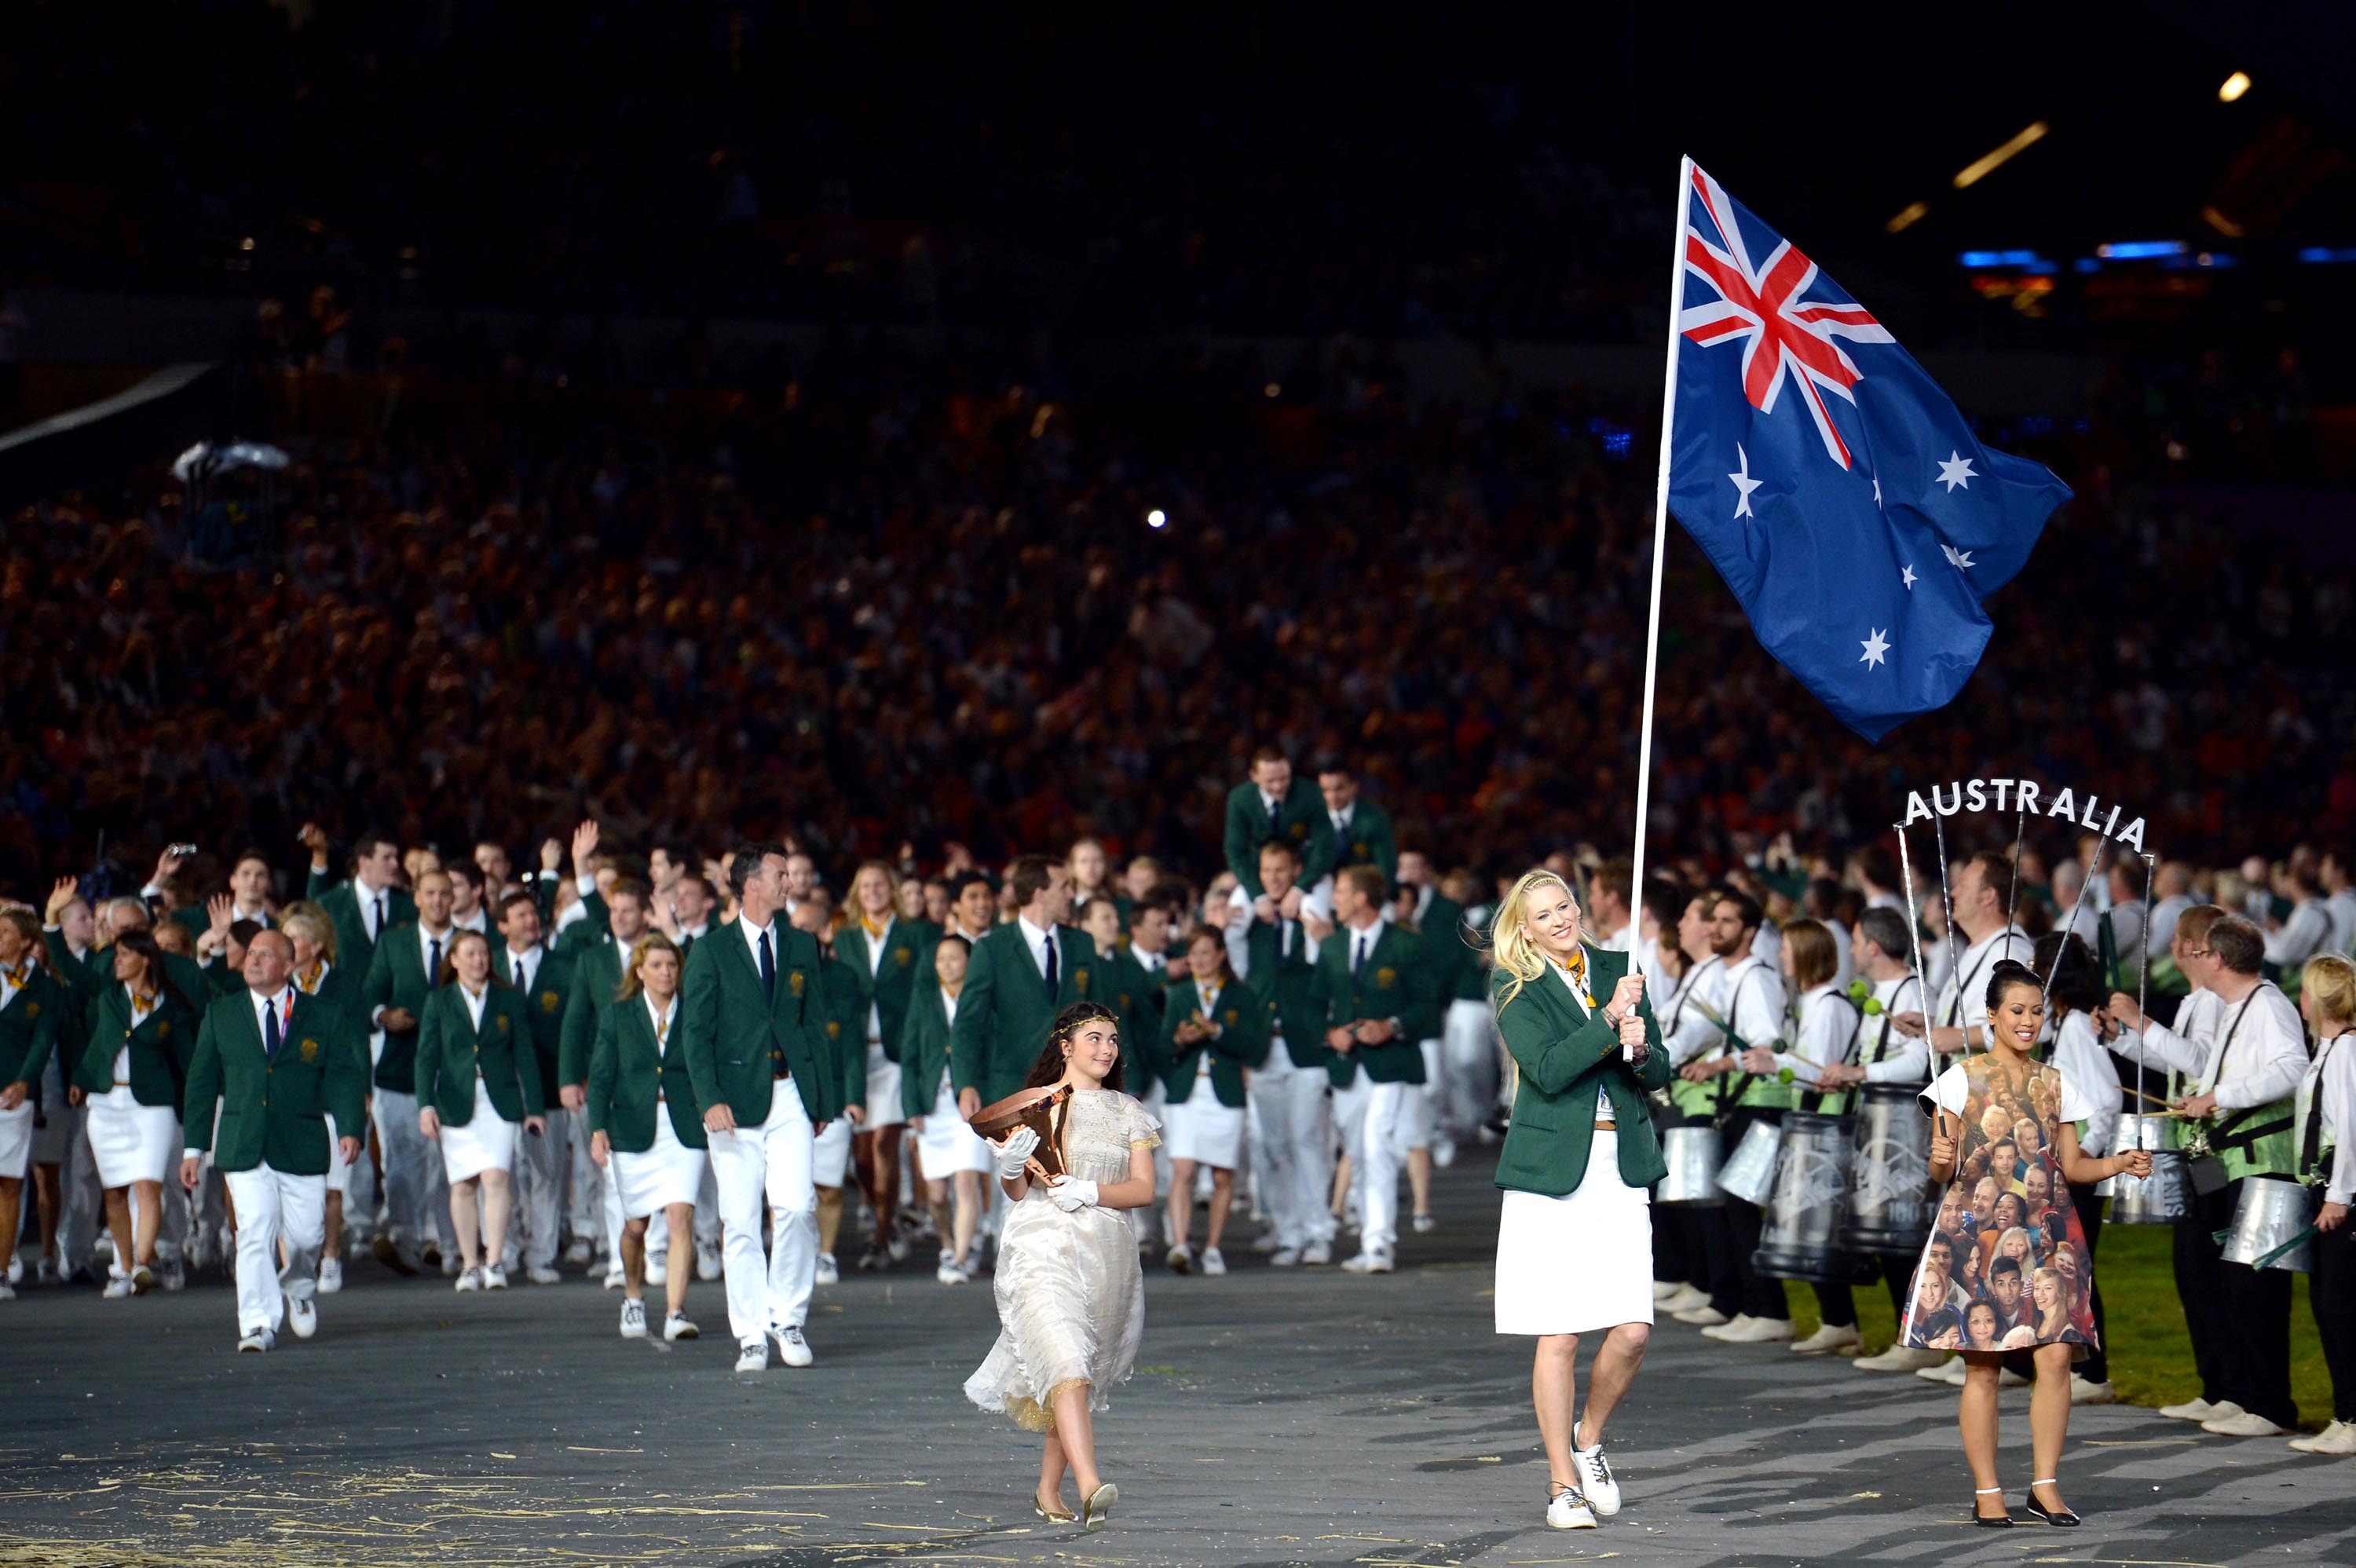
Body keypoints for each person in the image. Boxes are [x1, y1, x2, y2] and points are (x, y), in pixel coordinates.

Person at [1905, 961, 2152, 1526]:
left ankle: (2045, 1485)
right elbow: (1941, 1170)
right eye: (2017, 1010)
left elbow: (2070, 1166)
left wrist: (2120, 1162)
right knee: (1985, 1367)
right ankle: (1988, 1488)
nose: (2028, 1020)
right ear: (1991, 1015)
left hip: (2049, 1230)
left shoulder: (2056, 1081)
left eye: (2037, 1011)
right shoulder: (1957, 1078)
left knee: (2057, 1355)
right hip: (1975, 1234)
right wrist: (1941, 1159)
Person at [1487, 868, 1668, 1532]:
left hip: (1620, 1165)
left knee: (1631, 1330)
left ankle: (1588, 1437)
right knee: (1558, 1334)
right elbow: (1550, 1068)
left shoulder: (1623, 965)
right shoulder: (1516, 987)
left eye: (1563, 904)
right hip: (1549, 1173)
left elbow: (1659, 1069)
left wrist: (1640, 1042)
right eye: (1542, 913)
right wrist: (1608, 1017)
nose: (1559, 918)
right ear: (1524, 928)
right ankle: (1562, 1482)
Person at [2109, 912, 2307, 1438]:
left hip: (2264, 1161)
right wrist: (2204, 1096)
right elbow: (2207, 1069)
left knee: (2255, 1284)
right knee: (2229, 1280)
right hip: (2232, 1159)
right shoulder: (2240, 1006)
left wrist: (2218, 1096)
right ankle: (2245, 1394)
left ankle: (2269, 1404)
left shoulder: (2267, 1004)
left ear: (2215, 958)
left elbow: (2292, 1067)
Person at [966, 1002, 1159, 1533]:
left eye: (1113, 1040)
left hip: (1106, 1250)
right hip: (1041, 1242)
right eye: (1094, 1038)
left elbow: (1143, 1188)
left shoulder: (1128, 1111)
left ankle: (1048, 1487)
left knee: (1075, 1374)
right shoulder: (1040, 1105)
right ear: (1065, 1047)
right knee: (1064, 1354)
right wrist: (1008, 1167)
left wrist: (1091, 1190)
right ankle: (1091, 1483)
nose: (1106, 1048)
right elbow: (1018, 1186)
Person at [681, 843, 833, 1375]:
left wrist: (823, 1097)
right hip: (733, 1102)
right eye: (780, 874)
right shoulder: (712, 950)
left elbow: (814, 1023)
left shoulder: (800, 943)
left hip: (790, 1092)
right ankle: (750, 1332)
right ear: (750, 883)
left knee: (796, 1206)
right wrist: (709, 1097)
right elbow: (694, 1032)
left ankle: (786, 1317)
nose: (789, 882)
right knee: (741, 1219)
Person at [178, 930, 367, 1351]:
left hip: (300, 1140)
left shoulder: (323, 1014)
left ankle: (299, 1286)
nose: (254, 960)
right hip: (243, 1140)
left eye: (265, 955)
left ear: (287, 965)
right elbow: (202, 1082)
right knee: (255, 1227)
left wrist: (352, 1127)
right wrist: (194, 1148)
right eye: (250, 954)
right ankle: (257, 1323)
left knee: (306, 1238)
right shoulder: (222, 1014)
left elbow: (343, 1074)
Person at [1317, 863, 1440, 1275]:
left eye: (1340, 891)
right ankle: (1371, 1235)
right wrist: (1330, 1033)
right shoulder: (1333, 947)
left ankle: (1379, 1243)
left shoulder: (1406, 944)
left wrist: (1391, 1026)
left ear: (1361, 899)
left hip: (1392, 1064)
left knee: (1377, 1143)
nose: (1334, 900)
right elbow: (1314, 1005)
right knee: (1358, 1150)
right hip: (1348, 1066)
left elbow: (1428, 1005)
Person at [1749, 918, 1864, 1355]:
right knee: (1814, 1221)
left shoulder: (1828, 1005)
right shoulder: (1814, 1002)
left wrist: (1774, 1066)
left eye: (1788, 949)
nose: (1781, 957)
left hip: (1828, 1124)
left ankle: (1840, 1320)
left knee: (1821, 1222)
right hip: (1814, 1121)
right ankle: (1836, 1319)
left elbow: (1822, 1072)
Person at [587, 933, 704, 1344]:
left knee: (679, 1216)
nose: (666, 972)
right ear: (640, 972)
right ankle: (634, 1294)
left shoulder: (695, 1013)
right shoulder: (618, 1016)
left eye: (671, 965)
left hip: (684, 1126)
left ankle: (675, 1311)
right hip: (633, 1127)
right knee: (636, 1225)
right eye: (656, 965)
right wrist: (597, 1127)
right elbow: (601, 1076)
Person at [415, 929, 546, 1292]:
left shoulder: (508, 999)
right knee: (463, 1185)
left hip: (498, 1102)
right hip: (456, 1101)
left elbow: (525, 1056)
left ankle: (495, 1260)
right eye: (470, 954)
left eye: (483, 954)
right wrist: (425, 1105)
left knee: (496, 1178)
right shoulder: (439, 1002)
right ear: (454, 960)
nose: (479, 961)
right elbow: (427, 1058)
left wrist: (534, 1108)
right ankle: (470, 1263)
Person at [71, 930, 199, 1296]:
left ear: (146, 959)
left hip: (152, 1106)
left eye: (126, 954)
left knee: (149, 1184)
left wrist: (206, 1097)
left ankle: (141, 1264)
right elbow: (72, 972)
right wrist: (51, 924)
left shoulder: (171, 1007)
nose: (119, 961)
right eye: (117, 954)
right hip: (108, 1105)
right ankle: (122, 1269)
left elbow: (189, 1061)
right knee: (114, 1191)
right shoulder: (108, 996)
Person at [1230, 840, 1334, 1266]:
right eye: (1266, 870)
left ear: (1295, 871)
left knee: (1307, 1140)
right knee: (1272, 1144)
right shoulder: (1249, 924)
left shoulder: (1314, 916)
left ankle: (1319, 1232)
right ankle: (1288, 1230)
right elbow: (1232, 968)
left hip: (1306, 1048)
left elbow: (1329, 973)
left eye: (1280, 869)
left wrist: (1322, 939)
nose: (1273, 878)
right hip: (1263, 1048)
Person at [2032, 933, 2124, 1405]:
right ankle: (2082, 1367)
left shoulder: (2073, 1031)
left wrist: (2085, 1154)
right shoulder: (2067, 1024)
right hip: (2065, 1164)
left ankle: (2095, 1373)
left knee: (2075, 1270)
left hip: (2077, 1168)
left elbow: (2107, 1098)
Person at [953, 857, 1103, 1115]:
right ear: (1040, 894)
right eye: (1064, 886)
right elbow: (968, 1023)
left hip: (1077, 1090)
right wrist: (966, 1084)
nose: (1071, 894)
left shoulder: (1081, 944)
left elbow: (1100, 1015)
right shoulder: (992, 949)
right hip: (1013, 1090)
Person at [368, 866, 462, 1274]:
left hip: (453, 1072)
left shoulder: (471, 945)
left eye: (445, 893)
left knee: (448, 1160)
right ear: (417, 898)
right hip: (401, 1067)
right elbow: (370, 994)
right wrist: (383, 1014)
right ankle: (404, 1237)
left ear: (453, 899)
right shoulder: (393, 942)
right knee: (403, 1160)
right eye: (430, 893)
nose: (438, 900)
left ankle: (446, 1242)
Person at [1156, 928, 1265, 1275]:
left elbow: (1256, 1047)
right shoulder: (1179, 994)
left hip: (1225, 1094)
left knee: (1221, 1176)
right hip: (1187, 1094)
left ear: (1221, 954)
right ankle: (1180, 1245)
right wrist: (1180, 1038)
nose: (1199, 961)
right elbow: (1162, 1047)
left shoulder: (1241, 995)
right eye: (1194, 954)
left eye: (1206, 953)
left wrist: (1218, 1031)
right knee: (1183, 1170)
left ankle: (1214, 1247)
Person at [840, 861, 931, 1273]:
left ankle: (880, 1232)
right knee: (860, 1153)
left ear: (891, 889)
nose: (873, 891)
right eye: (866, 885)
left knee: (884, 1143)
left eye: (879, 884)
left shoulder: (914, 935)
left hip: (895, 1053)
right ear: (857, 893)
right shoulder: (845, 939)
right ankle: (884, 1213)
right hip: (857, 1055)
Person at [280, 908, 369, 1291]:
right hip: (292, 1098)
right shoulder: (279, 984)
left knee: (332, 1186)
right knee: (292, 1186)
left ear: (315, 946)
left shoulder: (344, 986)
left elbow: (357, 1043)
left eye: (294, 939)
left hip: (332, 1099)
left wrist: (361, 1092)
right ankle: (295, 1263)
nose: (287, 946)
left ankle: (331, 1256)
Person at [492, 891, 576, 1285]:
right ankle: (504, 1250)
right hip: (499, 1092)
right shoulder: (485, 964)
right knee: (500, 1174)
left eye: (533, 913)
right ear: (502, 925)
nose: (530, 920)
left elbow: (578, 1028)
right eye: (520, 915)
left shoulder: (564, 968)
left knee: (546, 1172)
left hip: (551, 1086)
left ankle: (541, 1255)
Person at [2292, 952, 2356, 1456]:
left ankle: (2353, 1415)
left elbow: (2350, 1131)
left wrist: (2338, 1195)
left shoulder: (2346, 1053)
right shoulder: (2329, 1049)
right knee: (2327, 1303)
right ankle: (2345, 1411)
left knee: (2340, 1305)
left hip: (2342, 1192)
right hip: (2327, 1187)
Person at [901, 934, 990, 1284]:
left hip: (970, 1105)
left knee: (966, 1180)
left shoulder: (980, 998)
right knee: (936, 1194)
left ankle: (962, 1256)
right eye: (941, 959)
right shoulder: (924, 999)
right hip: (932, 1104)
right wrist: (911, 1105)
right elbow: (910, 1057)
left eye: (955, 958)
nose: (948, 965)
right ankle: (948, 1242)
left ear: (969, 961)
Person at [1896, 850, 2032, 1058]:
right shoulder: (1979, 948)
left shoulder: (2009, 950)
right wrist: (1936, 1024)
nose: (1953, 893)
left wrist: (1961, 1037)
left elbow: (2026, 1026)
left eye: (1963, 885)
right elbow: (1977, 1020)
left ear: (1988, 896)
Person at [0, 909, 64, 1300]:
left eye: (4, 931)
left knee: (7, 1184)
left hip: (13, 1096)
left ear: (25, 941)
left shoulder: (45, 986)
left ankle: (2, 1270)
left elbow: (43, 1041)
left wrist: (25, 1081)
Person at [1222, 746, 1335, 903]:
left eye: (1283, 778)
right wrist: (1258, 894)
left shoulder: (1310, 793)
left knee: (1313, 910)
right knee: (1237, 916)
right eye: (1270, 780)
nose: (1278, 786)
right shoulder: (1240, 799)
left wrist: (1300, 888)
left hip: (1304, 872)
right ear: (1253, 776)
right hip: (1258, 874)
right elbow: (1235, 851)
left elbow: (1325, 845)